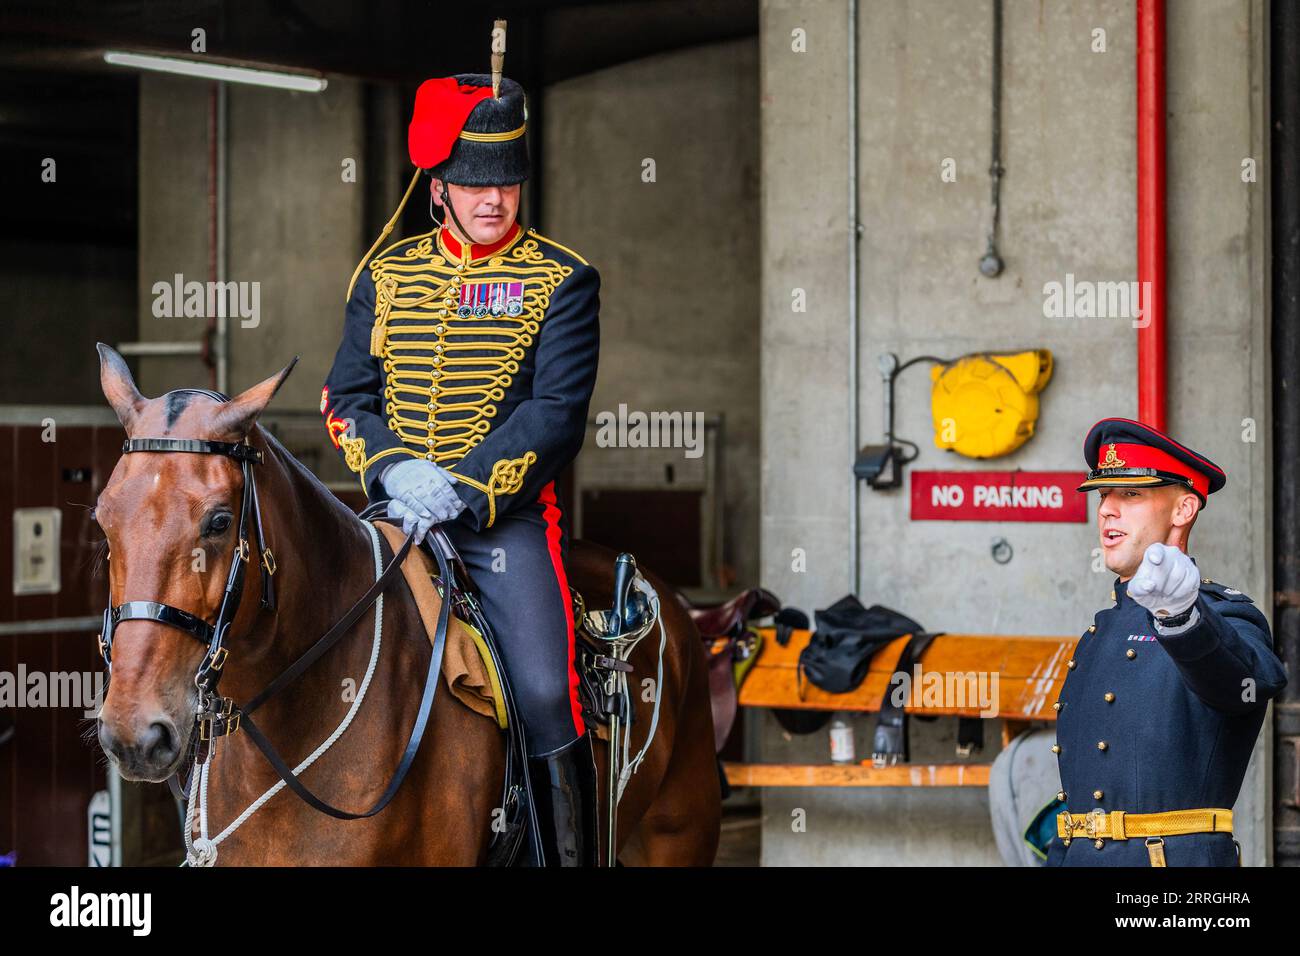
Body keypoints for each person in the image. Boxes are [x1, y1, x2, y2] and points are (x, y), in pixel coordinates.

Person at [320, 68, 600, 866]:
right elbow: (346, 396)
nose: (494, 200)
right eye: (475, 184)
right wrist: (392, 470)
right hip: (393, 515)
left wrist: (465, 489)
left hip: (500, 527)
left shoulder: (562, 279)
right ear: (437, 185)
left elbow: (556, 416)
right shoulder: (386, 274)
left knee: (548, 693)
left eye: (508, 183)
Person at [1046, 417, 1287, 866]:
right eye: (1103, 496)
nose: (1106, 510)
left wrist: (1182, 618)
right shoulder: (1100, 629)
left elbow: (1248, 681)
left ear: (1183, 510)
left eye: (1130, 494)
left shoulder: (1222, 613)